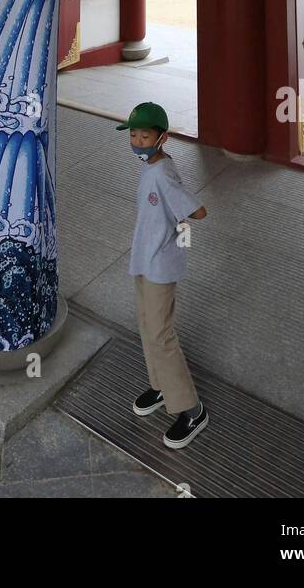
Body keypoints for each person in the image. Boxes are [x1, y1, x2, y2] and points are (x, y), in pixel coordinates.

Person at [117, 101, 209, 450]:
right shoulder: (151, 168)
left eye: (145, 135)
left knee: (161, 334)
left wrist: (181, 214)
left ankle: (191, 408)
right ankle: (160, 386)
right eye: (134, 135)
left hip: (160, 265)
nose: (138, 141)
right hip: (144, 259)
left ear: (162, 138)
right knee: (146, 325)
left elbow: (198, 210)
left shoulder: (163, 174)